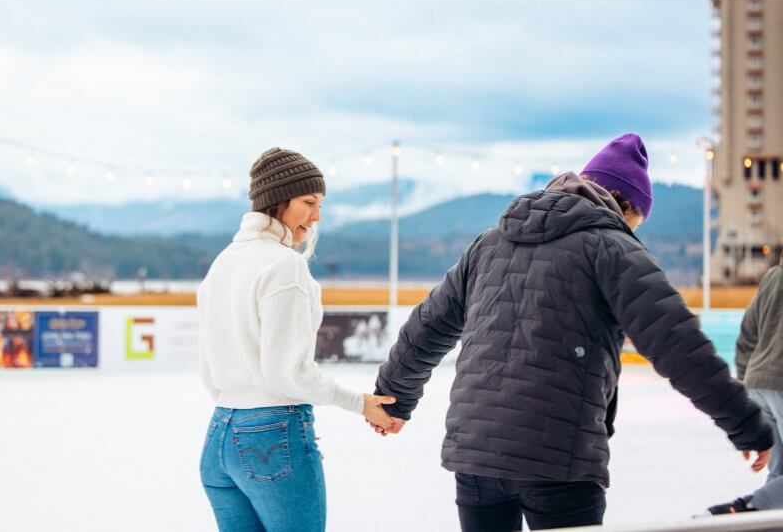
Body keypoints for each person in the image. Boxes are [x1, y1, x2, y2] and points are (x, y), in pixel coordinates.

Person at [373, 133, 773, 531]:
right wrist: (746, 425)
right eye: (638, 220)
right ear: (628, 207)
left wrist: (394, 398)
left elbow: (428, 325)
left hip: (476, 456)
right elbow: (679, 346)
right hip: (558, 459)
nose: (635, 229)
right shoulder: (615, 248)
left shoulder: (490, 243)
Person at [197, 147, 398, 532]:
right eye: (309, 202)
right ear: (279, 200)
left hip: (219, 436)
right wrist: (358, 404)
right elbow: (286, 372)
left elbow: (209, 367)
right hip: (270, 436)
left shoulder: (224, 262)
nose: (317, 216)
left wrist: (249, 420)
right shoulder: (283, 266)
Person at [706, 255, 783, 515]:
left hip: (759, 383)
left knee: (779, 475)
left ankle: (758, 519)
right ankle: (739, 511)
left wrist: (746, 396)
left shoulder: (773, 276)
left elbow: (747, 337)